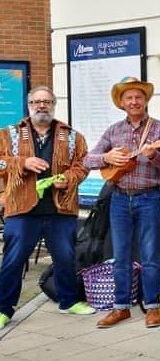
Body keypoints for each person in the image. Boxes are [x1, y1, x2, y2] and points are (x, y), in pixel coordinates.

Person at [84, 77, 160, 329]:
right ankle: (121, 307)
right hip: (119, 198)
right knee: (121, 255)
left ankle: (152, 306)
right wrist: (106, 156)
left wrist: (154, 154)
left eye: (138, 97)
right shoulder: (114, 130)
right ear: (122, 103)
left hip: (149, 197)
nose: (134, 101)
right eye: (129, 98)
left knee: (150, 255)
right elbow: (86, 160)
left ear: (145, 100)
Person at [0, 86, 95, 329]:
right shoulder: (9, 133)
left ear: (54, 104)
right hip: (22, 209)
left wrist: (70, 179)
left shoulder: (73, 136)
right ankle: (4, 309)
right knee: (12, 260)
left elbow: (82, 165)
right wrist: (22, 162)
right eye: (37, 102)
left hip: (60, 208)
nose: (42, 106)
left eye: (47, 102)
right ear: (29, 104)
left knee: (65, 258)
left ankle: (68, 301)